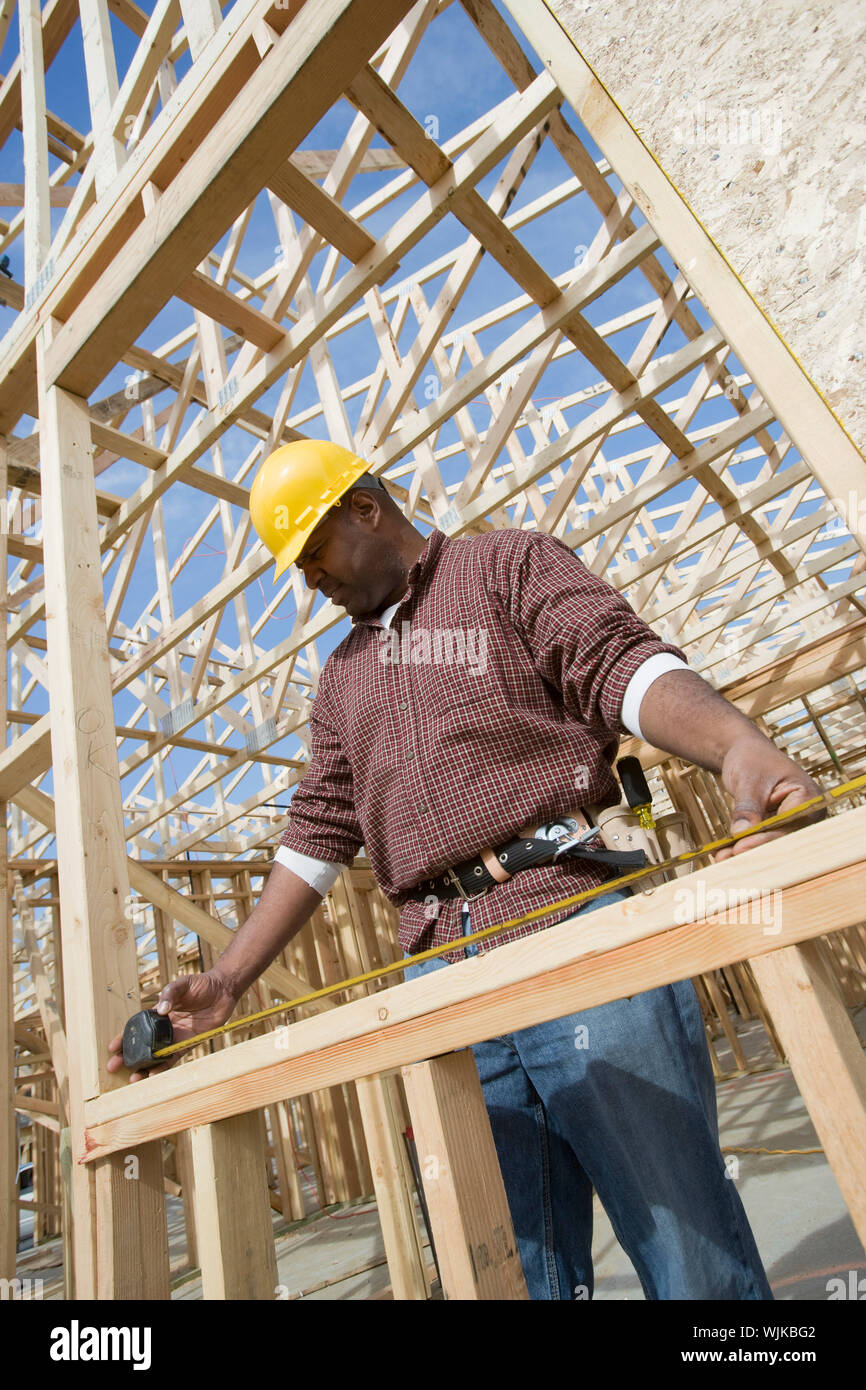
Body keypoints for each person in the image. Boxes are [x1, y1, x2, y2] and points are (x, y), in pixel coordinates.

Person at [109, 439, 823, 1299]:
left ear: (365, 509)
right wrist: (228, 977)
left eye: (313, 555)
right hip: (441, 976)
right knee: (500, 1269)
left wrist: (735, 743)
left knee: (686, 1243)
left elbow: (615, 663)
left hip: (578, 932)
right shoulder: (340, 681)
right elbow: (320, 831)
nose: (309, 584)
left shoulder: (505, 568)